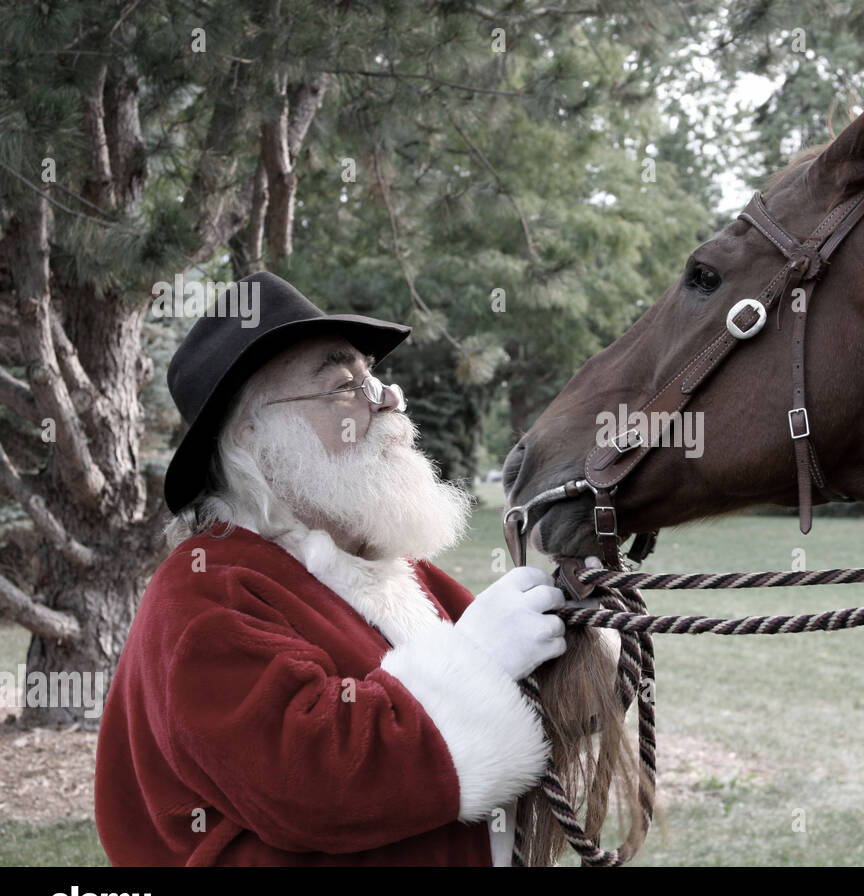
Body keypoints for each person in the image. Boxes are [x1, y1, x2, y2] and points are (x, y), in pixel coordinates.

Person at [95, 272, 570, 865]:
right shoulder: (202, 596)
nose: (389, 398)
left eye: (374, 377)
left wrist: (578, 627)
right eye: (346, 386)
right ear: (253, 434)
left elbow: (545, 695)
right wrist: (479, 664)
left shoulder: (389, 568)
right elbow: (311, 783)